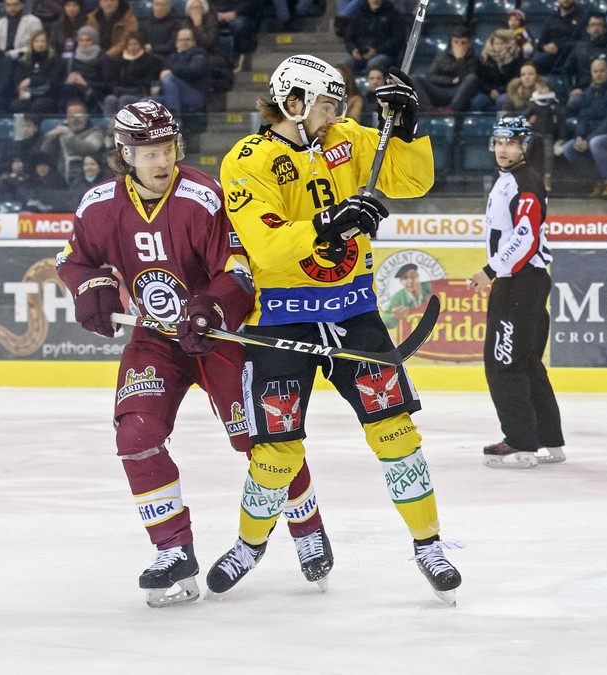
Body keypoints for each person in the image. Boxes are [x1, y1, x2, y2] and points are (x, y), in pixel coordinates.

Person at [55, 100, 334, 607]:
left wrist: (211, 308)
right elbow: (74, 261)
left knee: (262, 440)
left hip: (217, 338)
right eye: (149, 153)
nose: (162, 161)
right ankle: (173, 551)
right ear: (125, 154)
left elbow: (238, 270)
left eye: (168, 149)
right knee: (136, 434)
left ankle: (307, 528)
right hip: (155, 340)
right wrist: (91, 288)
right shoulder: (98, 205)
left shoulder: (202, 197)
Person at [210, 54, 463, 604]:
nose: (338, 113)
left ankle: (429, 544)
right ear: (293, 103)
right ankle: (250, 544)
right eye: (327, 103)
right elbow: (265, 242)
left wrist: (406, 129)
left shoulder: (344, 138)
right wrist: (330, 222)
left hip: (352, 310)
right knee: (276, 451)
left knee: (395, 431)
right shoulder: (247, 159)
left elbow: (412, 180)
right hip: (280, 316)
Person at [467, 116, 565, 470]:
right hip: (526, 282)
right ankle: (549, 439)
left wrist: (490, 270)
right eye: (499, 142)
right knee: (526, 362)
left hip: (519, 283)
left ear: (525, 146)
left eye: (510, 142)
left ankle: (520, 442)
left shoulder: (526, 183)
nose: (503, 149)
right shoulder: (509, 180)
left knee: (503, 362)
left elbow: (525, 237)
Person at [562, 56, 607, 199]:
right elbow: (583, 118)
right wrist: (579, 137)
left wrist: (588, 139)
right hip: (589, 136)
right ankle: (597, 181)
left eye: (602, 71)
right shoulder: (587, 93)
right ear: (591, 73)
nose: (598, 74)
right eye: (595, 71)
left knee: (596, 143)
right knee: (568, 148)